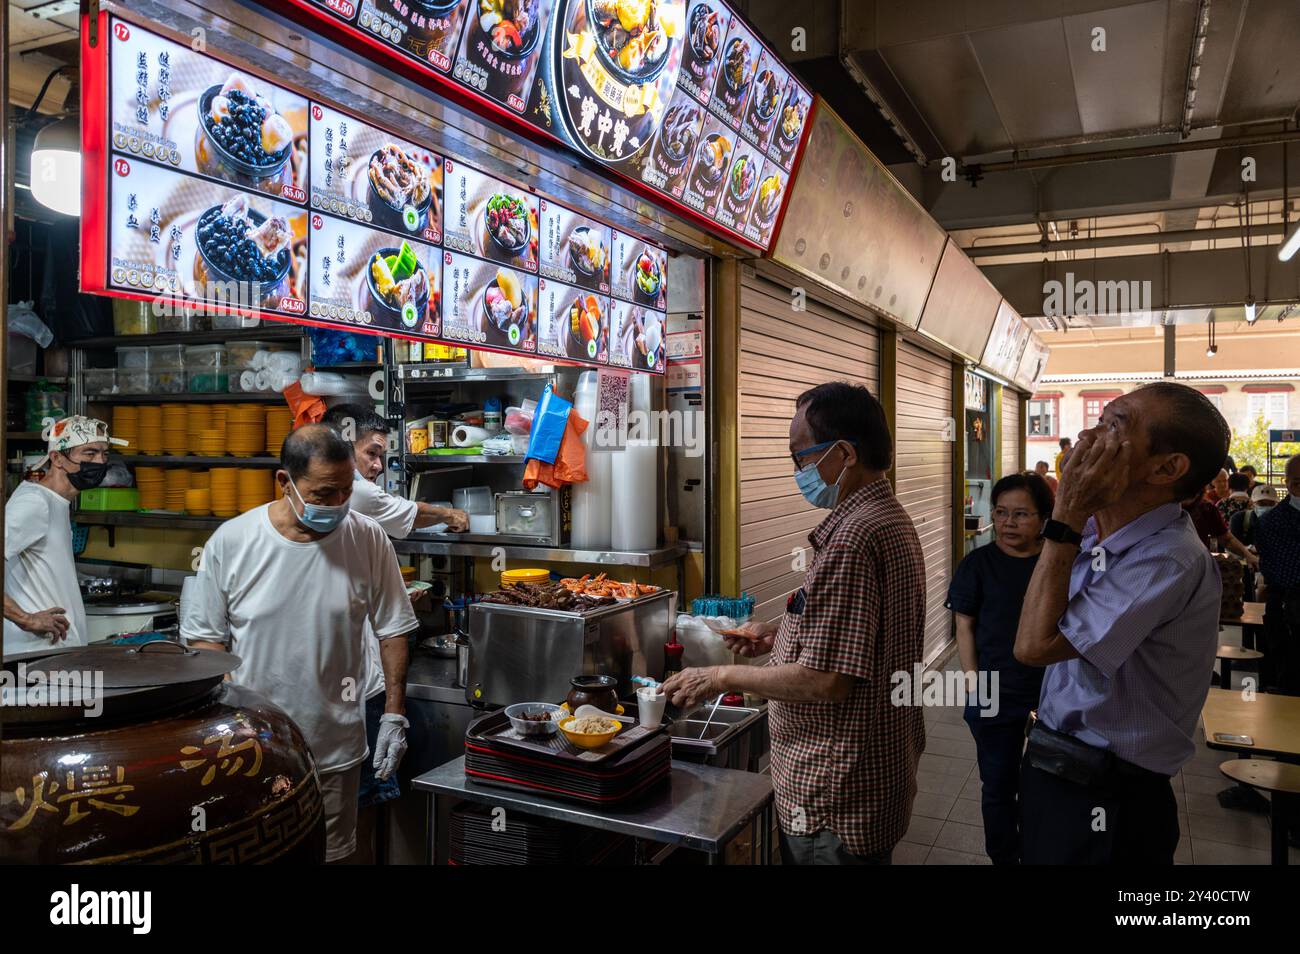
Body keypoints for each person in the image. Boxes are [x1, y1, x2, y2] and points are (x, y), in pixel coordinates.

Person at [659, 382, 926, 864]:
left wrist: (715, 675)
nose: (797, 472)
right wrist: (780, 633)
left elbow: (826, 682)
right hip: (872, 772)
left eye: (800, 458)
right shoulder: (887, 518)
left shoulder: (852, 539)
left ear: (843, 454)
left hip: (835, 791)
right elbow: (863, 635)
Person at [183, 424, 417, 863]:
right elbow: (206, 643)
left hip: (337, 744)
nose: (338, 505)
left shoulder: (366, 537)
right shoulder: (231, 543)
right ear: (284, 482)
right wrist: (236, 724)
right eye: (323, 494)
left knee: (336, 855)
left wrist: (393, 715)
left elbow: (393, 628)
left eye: (347, 491)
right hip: (253, 751)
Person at [1015, 382, 1227, 865]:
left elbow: (1034, 645)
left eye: (1115, 425)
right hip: (1057, 767)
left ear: (1167, 467)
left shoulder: (1167, 557)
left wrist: (1065, 510)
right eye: (1099, 419)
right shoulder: (1094, 531)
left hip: (1109, 794)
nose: (1090, 437)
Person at [320, 403, 467, 858]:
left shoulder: (358, 524)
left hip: (358, 686)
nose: (378, 467)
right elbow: (406, 512)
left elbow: (381, 608)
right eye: (372, 453)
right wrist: (450, 514)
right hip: (347, 689)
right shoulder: (353, 493)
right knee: (350, 817)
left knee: (354, 813)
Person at [946, 472, 1053, 864]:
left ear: (1044, 518)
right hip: (993, 691)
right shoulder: (977, 565)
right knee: (998, 786)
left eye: (1021, 514)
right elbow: (965, 627)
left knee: (1045, 785)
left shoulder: (1058, 566)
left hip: (1051, 692)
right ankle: (1005, 858)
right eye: (1001, 513)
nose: (1008, 523)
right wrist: (974, 684)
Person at [5, 416, 126, 653]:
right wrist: (27, 619)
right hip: (33, 657)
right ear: (57, 458)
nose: (99, 462)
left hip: (56, 656)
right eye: (89, 453)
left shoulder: (57, 502)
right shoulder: (33, 503)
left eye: (104, 454)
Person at [1255, 455, 1300, 694]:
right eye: (1297, 483)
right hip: (1287, 613)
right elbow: (1281, 570)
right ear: (1287, 484)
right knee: (1289, 682)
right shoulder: (1272, 522)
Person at [1182, 483, 1259, 571]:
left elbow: (1226, 539)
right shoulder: (1164, 507)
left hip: (1197, 566)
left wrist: (1248, 555)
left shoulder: (1207, 509)